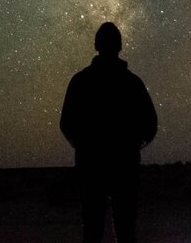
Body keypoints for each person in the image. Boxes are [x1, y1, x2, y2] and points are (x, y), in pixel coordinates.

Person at [59, 22, 158, 243]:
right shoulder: (132, 83)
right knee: (125, 229)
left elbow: (66, 123)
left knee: (93, 229)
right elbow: (150, 124)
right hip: (125, 164)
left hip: (91, 164)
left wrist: (84, 145)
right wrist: (134, 144)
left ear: (96, 45)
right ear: (119, 46)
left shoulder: (81, 81)